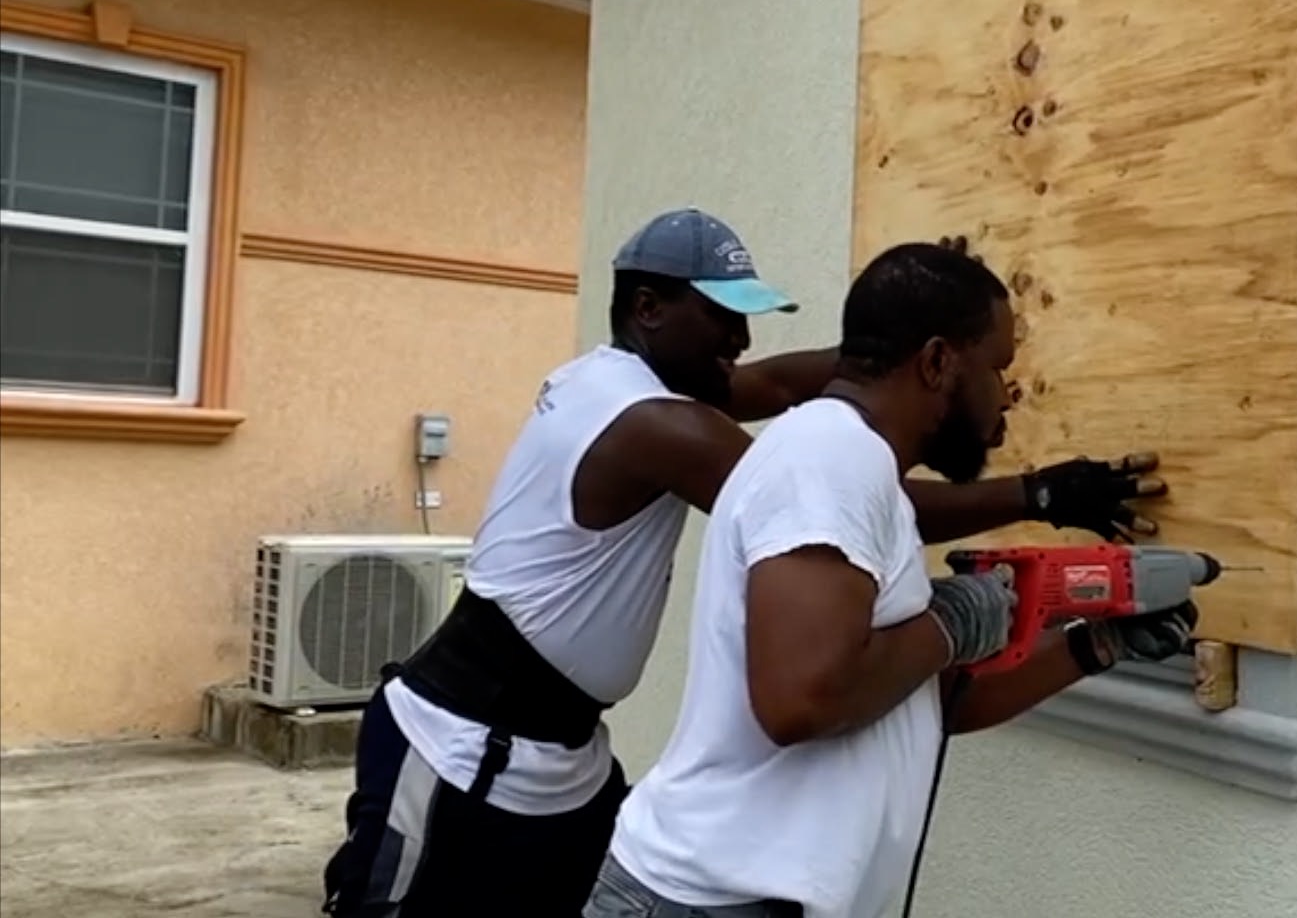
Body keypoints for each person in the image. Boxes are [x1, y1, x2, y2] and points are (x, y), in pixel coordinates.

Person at [319, 210, 1167, 918]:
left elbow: (779, 386)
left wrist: (904, 343)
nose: (742, 335)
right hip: (469, 740)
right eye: (721, 316)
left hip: (562, 754)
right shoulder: (670, 428)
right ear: (648, 308)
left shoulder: (615, 376)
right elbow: (843, 508)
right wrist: (1034, 498)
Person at [582, 241, 1200, 918]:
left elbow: (919, 703)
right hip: (707, 902)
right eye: (997, 369)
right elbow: (801, 704)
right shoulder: (830, 457)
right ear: (938, 363)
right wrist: (949, 624)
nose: (1009, 396)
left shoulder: (863, 471)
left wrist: (1094, 647)